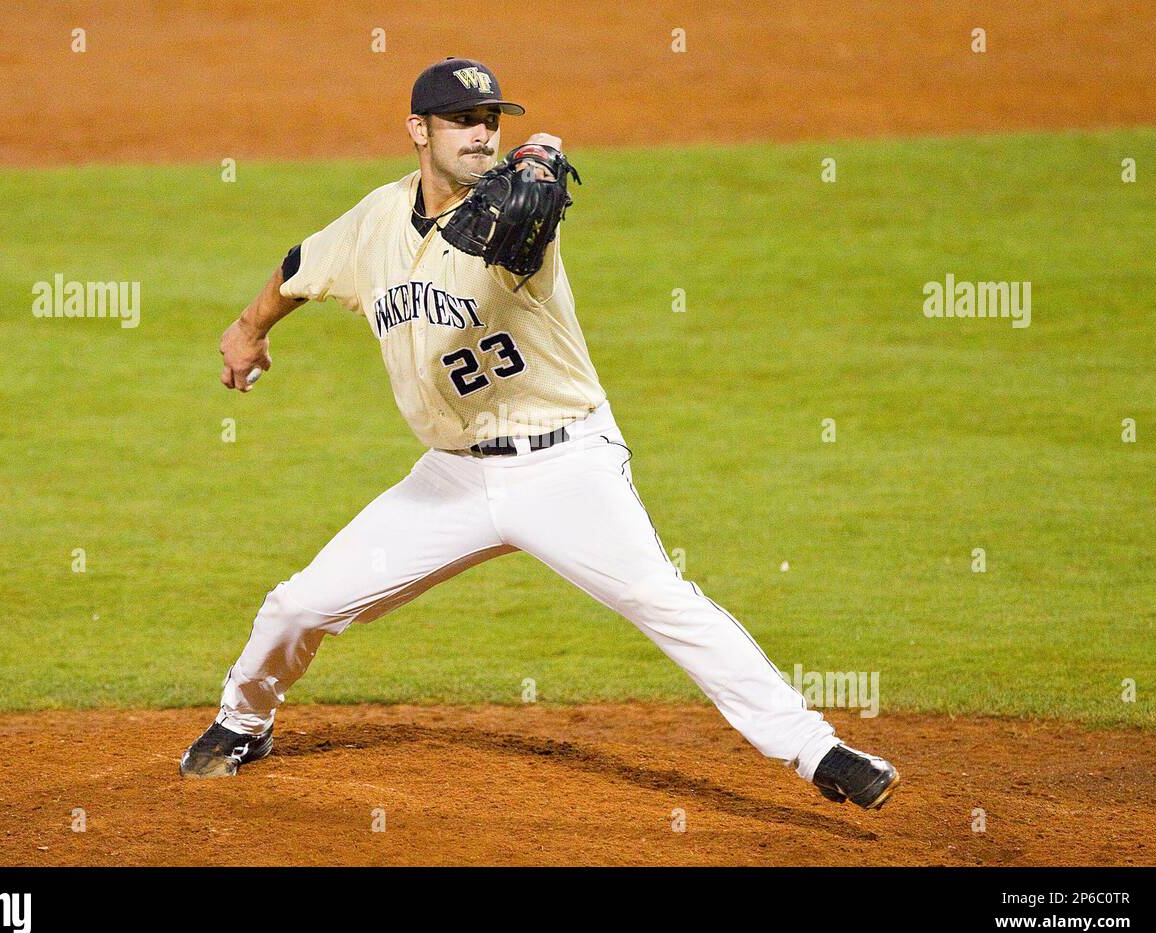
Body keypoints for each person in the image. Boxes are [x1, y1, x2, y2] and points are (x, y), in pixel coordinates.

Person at [180, 57, 900, 811]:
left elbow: (533, 199)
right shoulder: (376, 222)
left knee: (663, 598)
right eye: (463, 120)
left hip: (565, 467)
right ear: (417, 131)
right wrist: (247, 329)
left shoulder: (520, 222)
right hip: (450, 478)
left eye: (492, 120)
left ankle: (819, 751)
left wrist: (541, 165)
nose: (481, 134)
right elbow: (300, 266)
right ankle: (243, 721)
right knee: (298, 607)